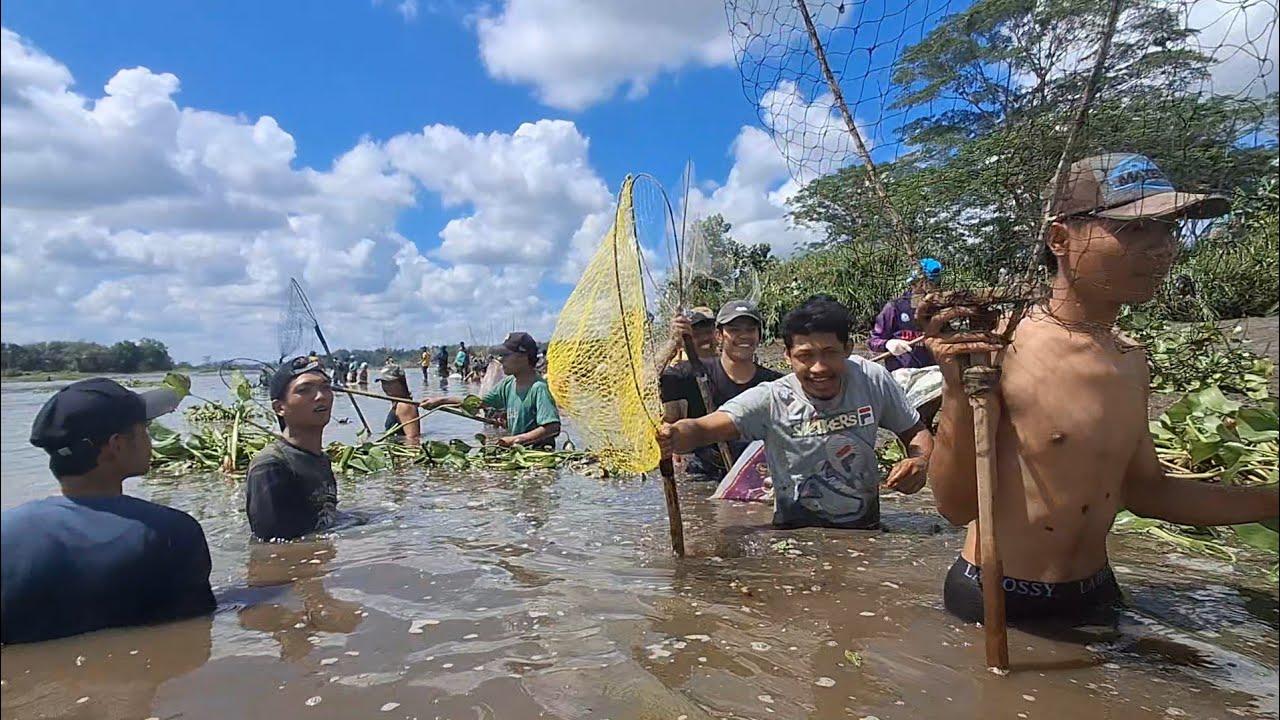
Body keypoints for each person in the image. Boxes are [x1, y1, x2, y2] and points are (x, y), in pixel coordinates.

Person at [921, 153, 1280, 627]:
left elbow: (1145, 491)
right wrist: (955, 388)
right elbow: (955, 505)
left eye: (1168, 229)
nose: (1161, 249)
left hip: (1097, 591)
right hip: (999, 596)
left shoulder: (1131, 358)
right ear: (1060, 238)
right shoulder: (997, 347)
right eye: (1134, 230)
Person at [658, 297, 934, 529]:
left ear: (848, 349)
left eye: (829, 353)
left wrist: (920, 461)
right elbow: (706, 428)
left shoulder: (871, 378)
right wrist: (675, 434)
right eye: (805, 356)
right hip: (795, 532)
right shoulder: (771, 398)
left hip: (866, 528)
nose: (818, 368)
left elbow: (916, 431)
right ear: (788, 356)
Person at [2, 378, 215, 644]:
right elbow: (195, 643)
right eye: (144, 429)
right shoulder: (171, 532)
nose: (149, 439)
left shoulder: (7, 532)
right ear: (116, 445)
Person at [659, 299, 782, 480]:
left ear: (759, 335)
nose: (743, 336)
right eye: (734, 330)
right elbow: (645, 385)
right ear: (719, 335)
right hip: (702, 476)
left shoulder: (775, 384)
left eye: (750, 330)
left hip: (758, 476)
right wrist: (672, 344)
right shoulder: (692, 373)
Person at [245, 357, 343, 541]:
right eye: (304, 390)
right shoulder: (271, 466)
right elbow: (273, 548)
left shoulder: (319, 458)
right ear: (279, 408)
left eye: (325, 387)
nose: (320, 396)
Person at [423, 332, 561, 449]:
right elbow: (478, 402)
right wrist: (441, 401)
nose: (500, 360)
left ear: (524, 357)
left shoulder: (538, 388)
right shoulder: (508, 384)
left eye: (506, 355)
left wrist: (516, 439)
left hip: (537, 455)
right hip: (518, 450)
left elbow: (552, 427)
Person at [868, 258, 941, 373]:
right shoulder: (895, 307)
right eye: (924, 284)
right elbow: (873, 341)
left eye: (932, 284)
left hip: (933, 373)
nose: (927, 289)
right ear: (914, 282)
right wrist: (888, 344)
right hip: (901, 376)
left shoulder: (939, 309)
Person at [653, 306, 717, 374]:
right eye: (698, 334)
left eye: (709, 332)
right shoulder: (681, 373)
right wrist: (671, 344)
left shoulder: (726, 366)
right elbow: (648, 380)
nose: (705, 338)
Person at [376, 364, 421, 444]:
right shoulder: (396, 403)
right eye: (383, 383)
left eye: (389, 383)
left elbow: (413, 439)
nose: (385, 387)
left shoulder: (404, 406)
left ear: (400, 382)